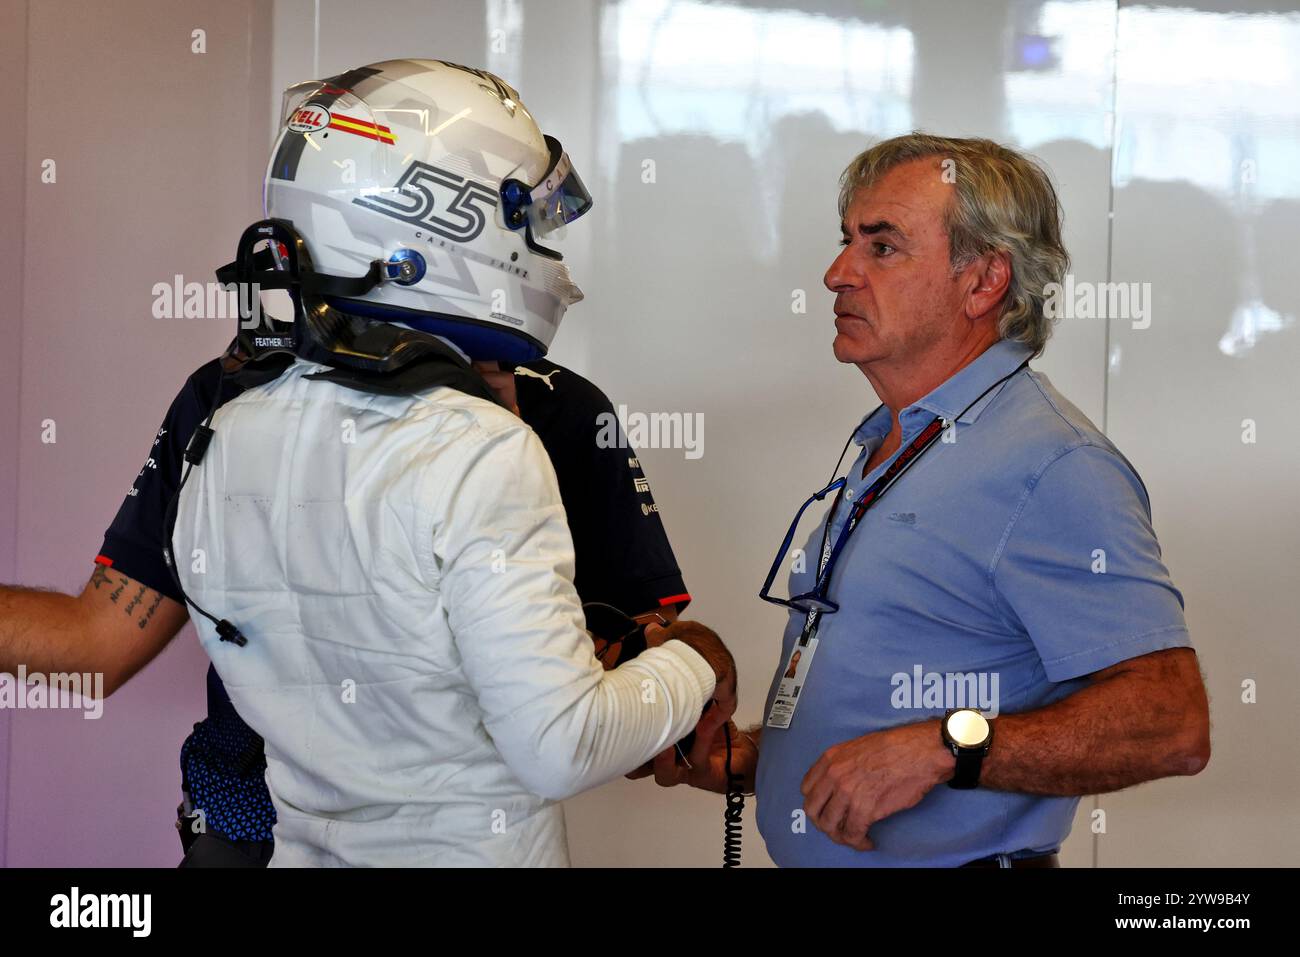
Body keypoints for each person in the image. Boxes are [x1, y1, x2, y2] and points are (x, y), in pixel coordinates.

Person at [1, 59, 736, 867]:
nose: (547, 248)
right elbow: (97, 645)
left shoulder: (241, 420)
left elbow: (636, 717)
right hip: (259, 821)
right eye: (530, 220)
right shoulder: (231, 404)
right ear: (443, 217)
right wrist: (694, 665)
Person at [648, 133, 1209, 868]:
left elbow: (1171, 722)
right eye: (847, 241)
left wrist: (948, 747)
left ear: (983, 283)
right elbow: (892, 696)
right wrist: (758, 757)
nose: (836, 273)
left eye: (881, 248)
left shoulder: (1053, 464)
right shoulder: (895, 439)